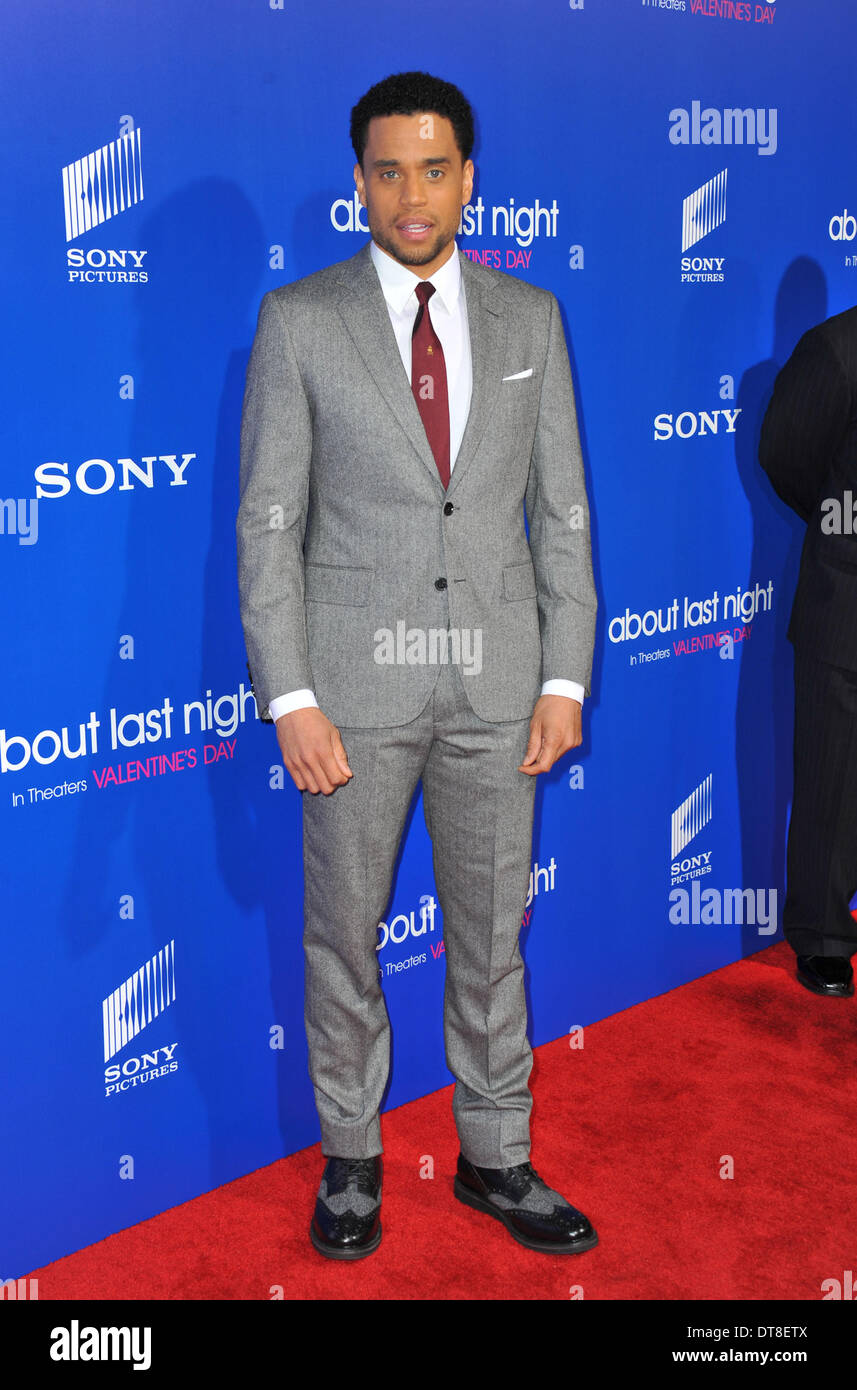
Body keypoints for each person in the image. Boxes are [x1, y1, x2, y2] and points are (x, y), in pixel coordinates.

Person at [236, 71, 598, 1259]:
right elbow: (268, 524)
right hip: (352, 689)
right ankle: (352, 1158)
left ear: (468, 179)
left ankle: (496, 1156)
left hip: (500, 688)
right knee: (344, 932)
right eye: (387, 170)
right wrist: (289, 695)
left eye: (433, 168)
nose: (411, 193)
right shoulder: (299, 319)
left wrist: (564, 674)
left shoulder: (530, 319)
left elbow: (565, 515)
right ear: (358, 184)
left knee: (490, 936)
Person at [759, 304, 857, 1000]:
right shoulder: (833, 349)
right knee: (831, 773)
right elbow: (787, 460)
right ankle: (823, 935)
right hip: (845, 602)